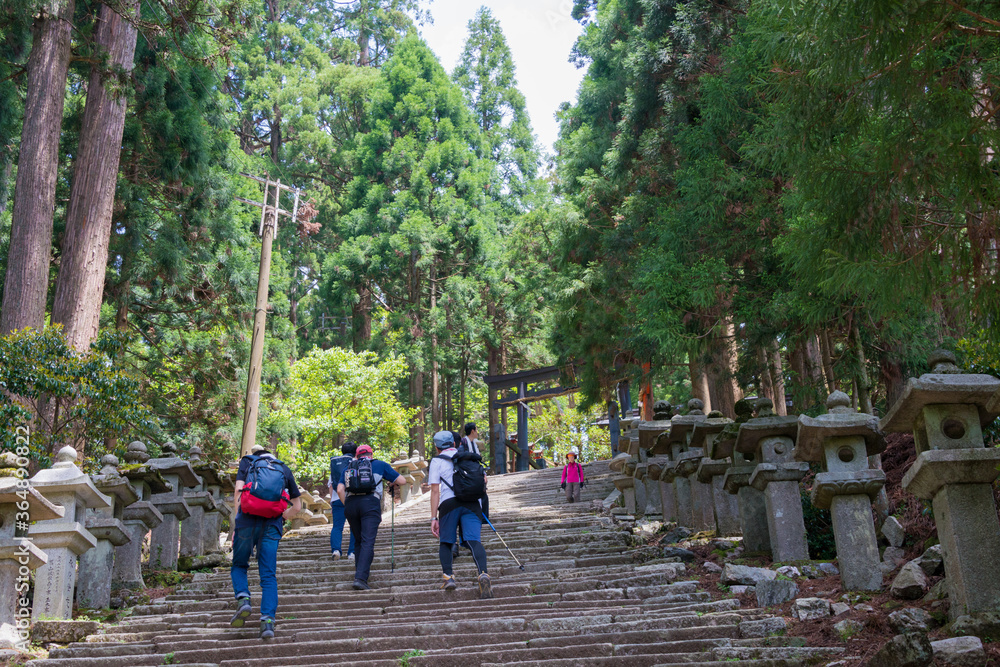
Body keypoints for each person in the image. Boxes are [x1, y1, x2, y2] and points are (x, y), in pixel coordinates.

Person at [230, 443, 302, 639]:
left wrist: (237, 522)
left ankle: (244, 599)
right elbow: (297, 505)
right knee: (268, 575)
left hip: (246, 521)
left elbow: (238, 491)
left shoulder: (247, 462)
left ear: (256, 454)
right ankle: (268, 622)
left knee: (239, 565)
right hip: (272, 525)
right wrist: (282, 516)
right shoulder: (283, 468)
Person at [429, 430, 492, 599]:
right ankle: (483, 573)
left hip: (449, 504)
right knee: (473, 541)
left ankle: (448, 577)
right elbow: (484, 480)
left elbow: (435, 491)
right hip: (472, 504)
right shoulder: (470, 457)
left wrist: (434, 517)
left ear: (436, 447)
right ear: (455, 443)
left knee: (446, 541)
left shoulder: (437, 461)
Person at [336, 444, 404, 590]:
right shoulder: (380, 465)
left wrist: (346, 503)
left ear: (357, 456)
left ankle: (359, 574)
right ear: (371, 455)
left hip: (351, 504)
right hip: (370, 503)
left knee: (358, 541)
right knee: (368, 541)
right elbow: (402, 481)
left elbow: (340, 489)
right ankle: (360, 578)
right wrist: (392, 481)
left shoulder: (349, 467)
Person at [328, 442, 357, 561]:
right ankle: (352, 553)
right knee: (354, 525)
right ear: (355, 452)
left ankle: (336, 550)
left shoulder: (335, 464)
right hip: (352, 497)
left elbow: (331, 485)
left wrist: (331, 501)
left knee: (337, 527)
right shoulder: (355, 463)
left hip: (336, 498)